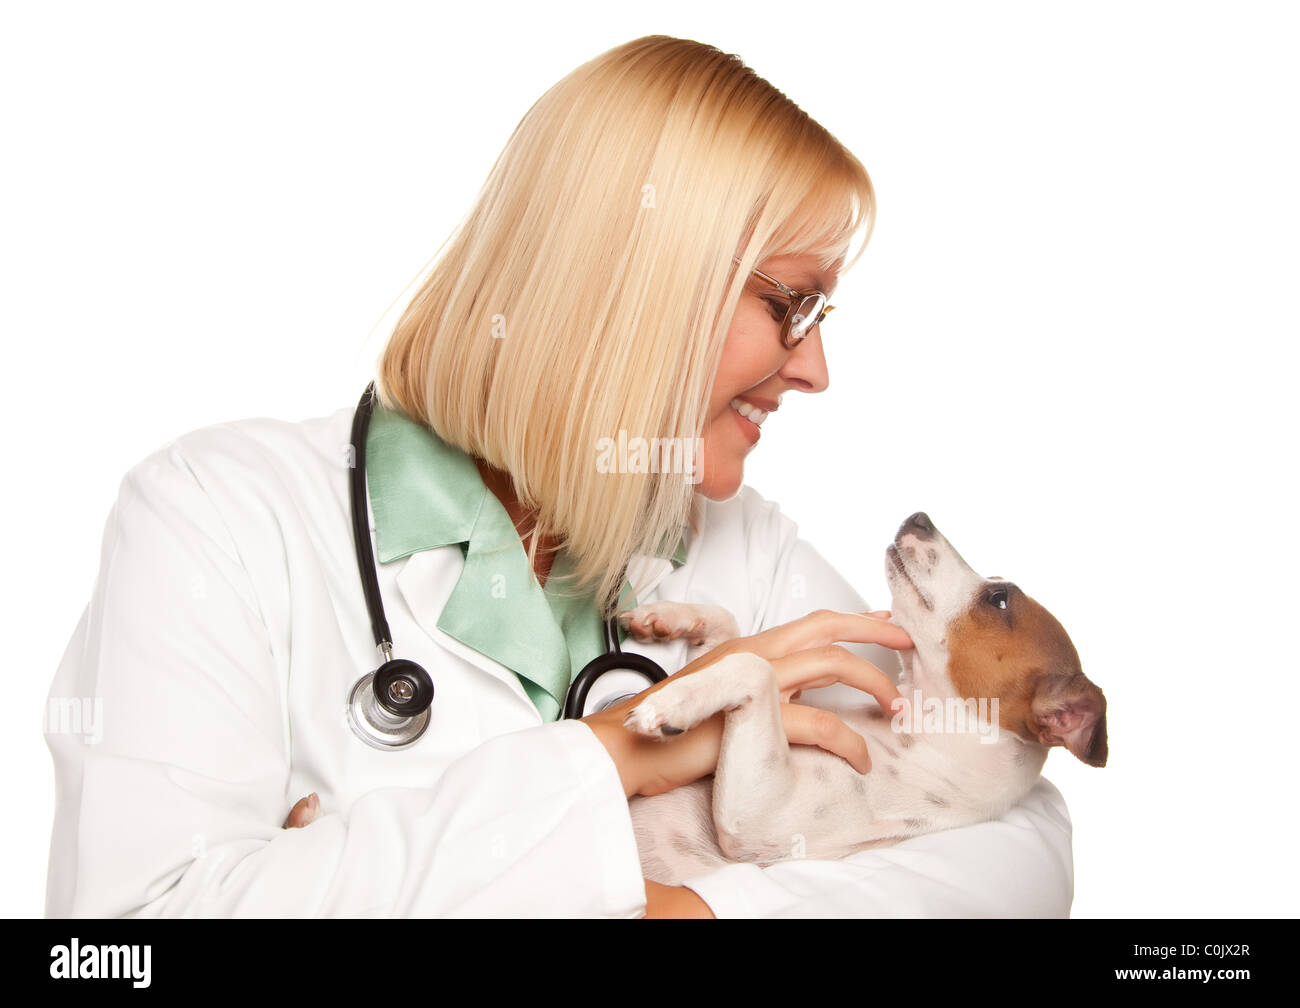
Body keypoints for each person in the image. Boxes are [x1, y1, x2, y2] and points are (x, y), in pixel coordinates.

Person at [43, 35, 1073, 918]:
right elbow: (127, 941)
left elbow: (1016, 847)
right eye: (789, 306)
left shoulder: (746, 556)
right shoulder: (220, 515)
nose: (814, 369)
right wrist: (609, 758)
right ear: (639, 282)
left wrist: (681, 913)